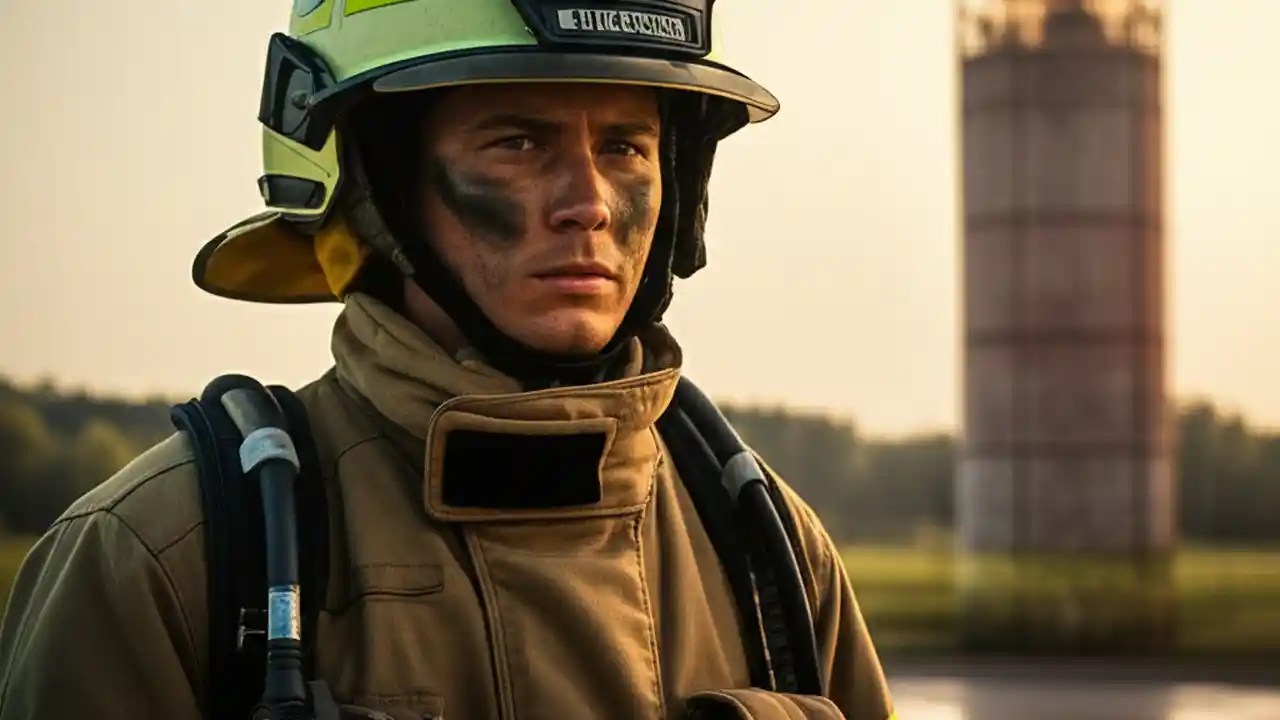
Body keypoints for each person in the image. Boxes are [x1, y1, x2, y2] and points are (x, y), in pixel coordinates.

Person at [0, 1, 896, 718]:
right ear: (374, 187)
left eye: (625, 145)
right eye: (517, 143)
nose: (588, 204)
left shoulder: (771, 550)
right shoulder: (156, 558)